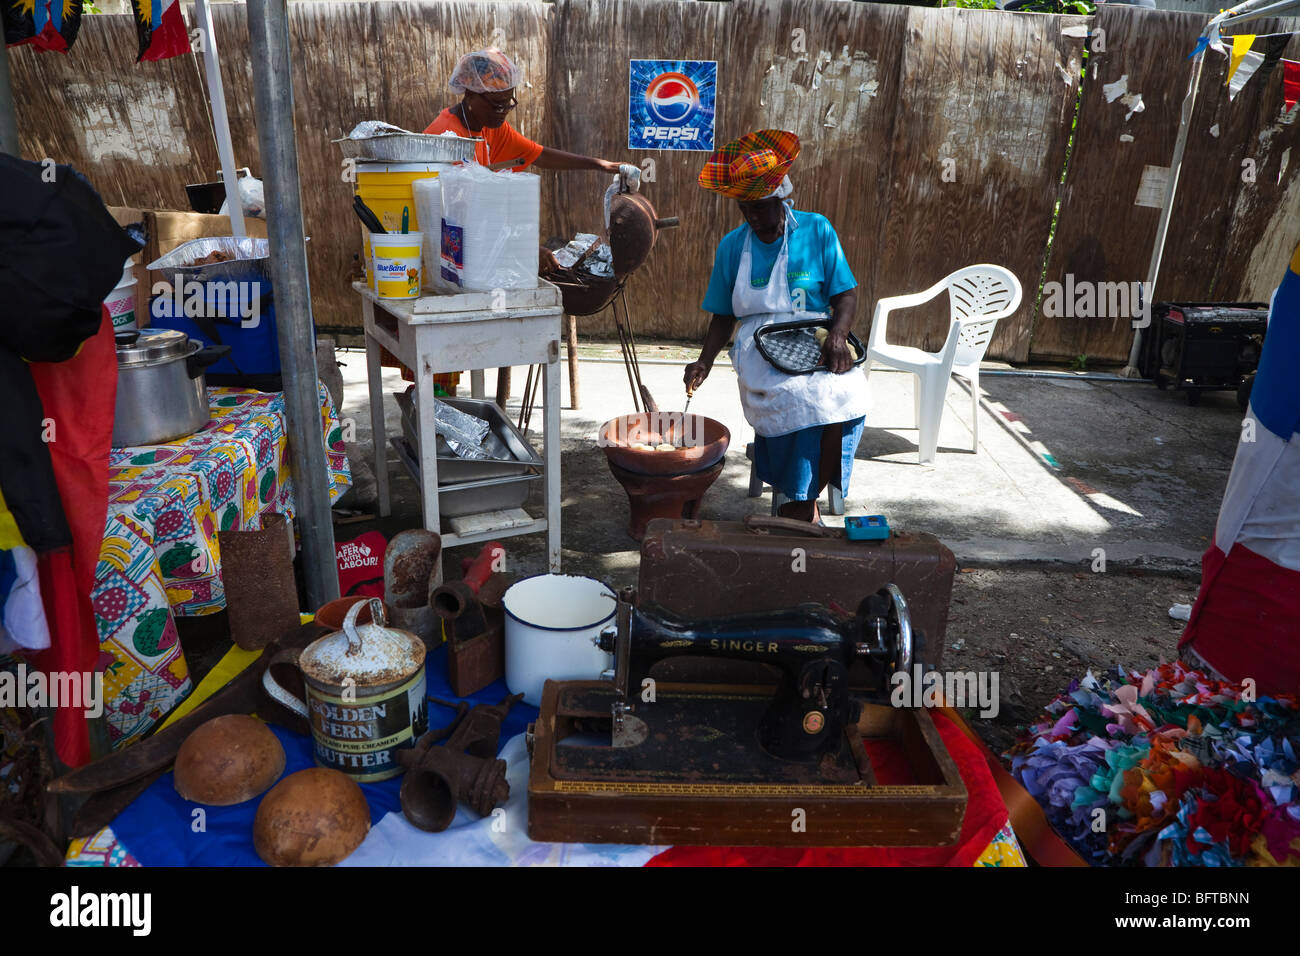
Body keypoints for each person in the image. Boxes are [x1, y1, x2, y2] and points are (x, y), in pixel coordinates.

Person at [684, 130, 869, 525]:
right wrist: (703, 361)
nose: (753, 216)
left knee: (848, 393)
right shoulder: (733, 246)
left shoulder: (817, 230)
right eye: (744, 208)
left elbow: (846, 295)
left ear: (782, 197)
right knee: (795, 394)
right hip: (758, 342)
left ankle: (811, 491)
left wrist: (837, 336)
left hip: (814, 333)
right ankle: (800, 505)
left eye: (762, 206)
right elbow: (722, 315)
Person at [425, 49, 620, 175]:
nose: (503, 112)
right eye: (496, 104)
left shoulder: (490, 126)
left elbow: (538, 155)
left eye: (508, 103)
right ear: (469, 95)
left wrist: (602, 165)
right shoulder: (446, 136)